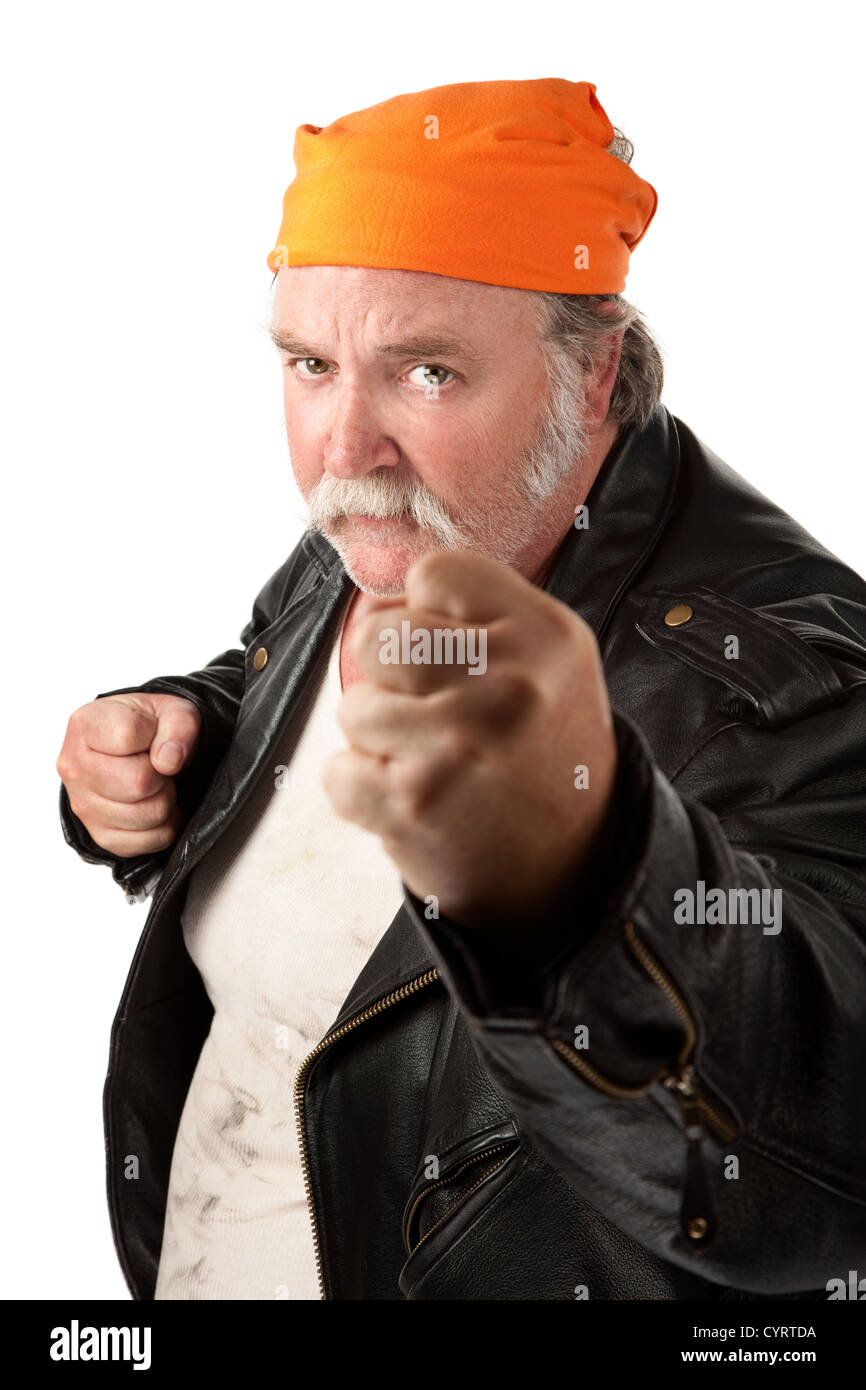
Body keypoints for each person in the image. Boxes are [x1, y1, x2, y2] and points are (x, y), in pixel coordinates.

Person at [56, 77, 866, 1302]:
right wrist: (182, 734)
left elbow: (809, 1155)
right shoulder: (395, 528)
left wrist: (577, 877)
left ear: (591, 376)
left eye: (425, 372)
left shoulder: (784, 672)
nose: (345, 448)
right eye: (310, 363)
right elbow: (277, 676)